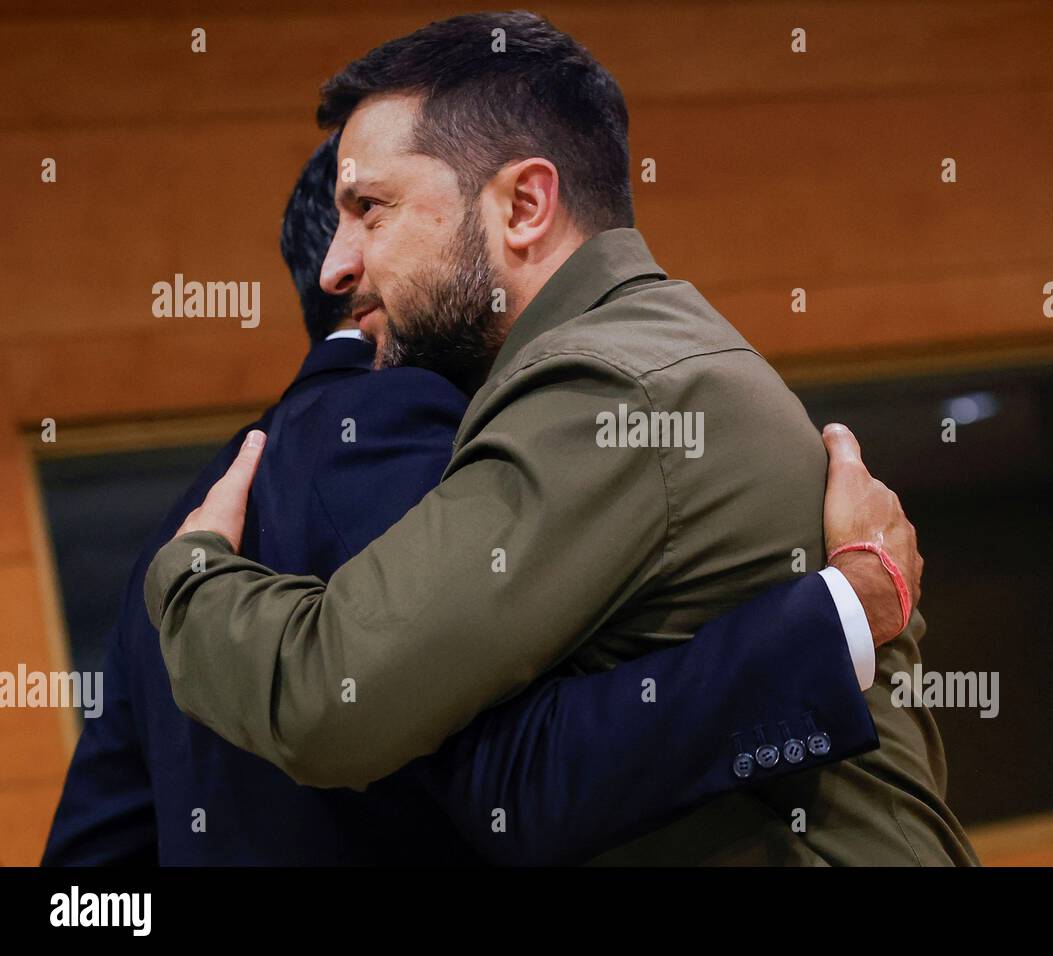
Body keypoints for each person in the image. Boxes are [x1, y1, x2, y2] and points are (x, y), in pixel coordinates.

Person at [145, 12, 975, 864]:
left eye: (371, 210)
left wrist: (189, 575)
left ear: (525, 206)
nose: (336, 266)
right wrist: (842, 613)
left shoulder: (602, 384)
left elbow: (332, 696)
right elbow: (545, 767)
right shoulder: (641, 350)